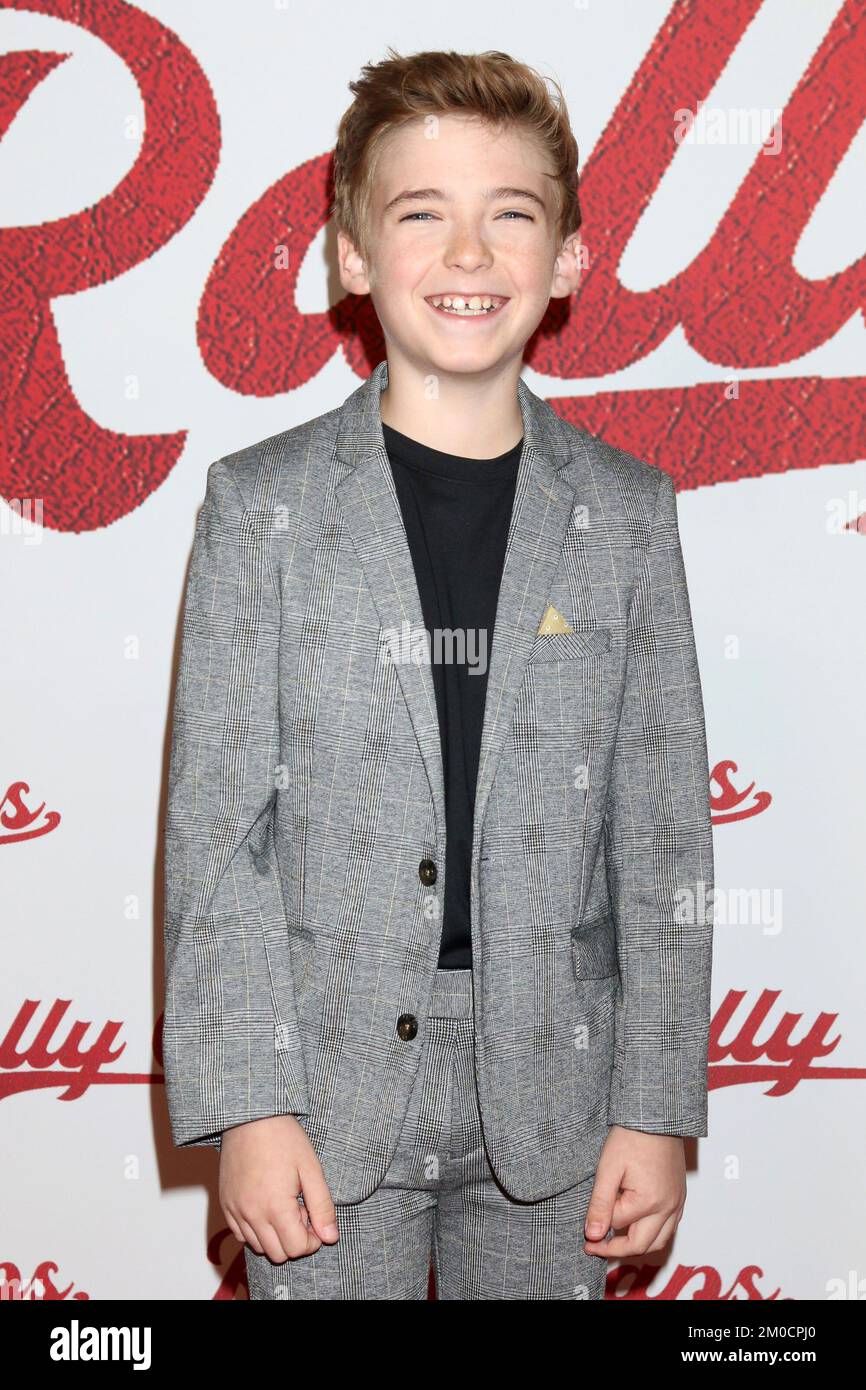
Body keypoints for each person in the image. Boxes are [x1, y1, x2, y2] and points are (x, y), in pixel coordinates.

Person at [162, 47, 715, 1301]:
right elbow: (218, 839)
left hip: (562, 1087)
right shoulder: (262, 508)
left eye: (508, 215)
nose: (468, 256)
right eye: (422, 215)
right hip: (318, 1087)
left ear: (566, 258)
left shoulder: (629, 516)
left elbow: (666, 837)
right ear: (352, 258)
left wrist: (656, 1103)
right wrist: (249, 1100)